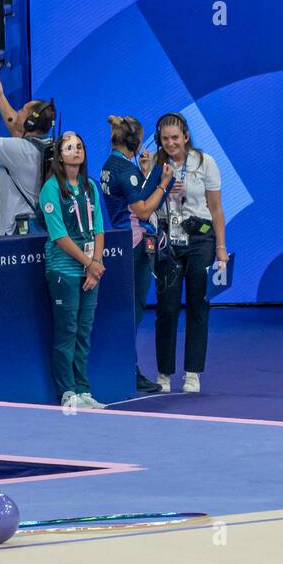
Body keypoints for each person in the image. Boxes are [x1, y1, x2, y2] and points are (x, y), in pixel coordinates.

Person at [152, 113, 230, 394]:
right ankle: (163, 374)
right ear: (159, 140)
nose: (171, 143)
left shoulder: (204, 162)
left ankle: (193, 373)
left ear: (186, 136)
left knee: (198, 305)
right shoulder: (154, 164)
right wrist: (164, 189)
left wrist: (221, 248)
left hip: (200, 240)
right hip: (168, 242)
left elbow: (216, 208)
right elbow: (144, 205)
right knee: (167, 308)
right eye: (165, 139)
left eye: (176, 137)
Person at [100, 115, 175, 395]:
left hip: (121, 241)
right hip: (136, 244)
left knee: (127, 309)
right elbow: (143, 210)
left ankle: (123, 366)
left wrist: (145, 174)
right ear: (134, 141)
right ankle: (127, 369)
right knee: (133, 310)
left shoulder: (108, 166)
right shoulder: (126, 171)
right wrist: (163, 182)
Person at [39, 131, 107, 411]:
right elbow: (59, 235)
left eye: (79, 146)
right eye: (69, 147)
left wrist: (96, 265)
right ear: (59, 154)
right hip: (64, 270)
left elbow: (99, 228)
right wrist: (89, 263)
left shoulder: (90, 186)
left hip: (90, 271)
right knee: (66, 330)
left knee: (83, 331)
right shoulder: (51, 188)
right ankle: (67, 391)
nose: (76, 151)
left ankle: (83, 389)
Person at [0, 77, 55, 236]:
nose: (18, 112)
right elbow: (16, 129)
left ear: (30, 123)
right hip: (39, 228)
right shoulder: (48, 144)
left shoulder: (17, 149)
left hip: (14, 233)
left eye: (21, 110)